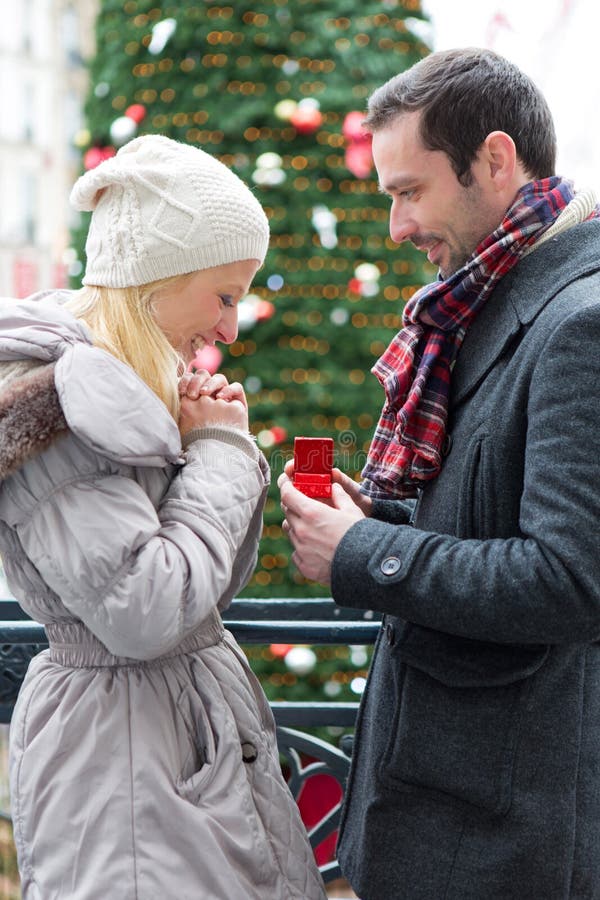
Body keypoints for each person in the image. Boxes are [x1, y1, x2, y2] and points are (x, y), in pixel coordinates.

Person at [279, 47, 600, 899]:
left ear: (495, 160)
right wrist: (375, 516)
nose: (396, 228)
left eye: (407, 192)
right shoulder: (492, 300)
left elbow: (571, 581)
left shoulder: (580, 323)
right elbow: (482, 518)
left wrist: (363, 554)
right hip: (458, 821)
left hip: (505, 846)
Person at [0, 134, 326, 900]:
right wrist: (216, 453)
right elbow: (146, 611)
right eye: (223, 296)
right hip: (125, 760)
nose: (230, 329)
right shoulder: (54, 411)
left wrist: (209, 447)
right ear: (156, 278)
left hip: (157, 745)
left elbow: (202, 590)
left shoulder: (119, 393)